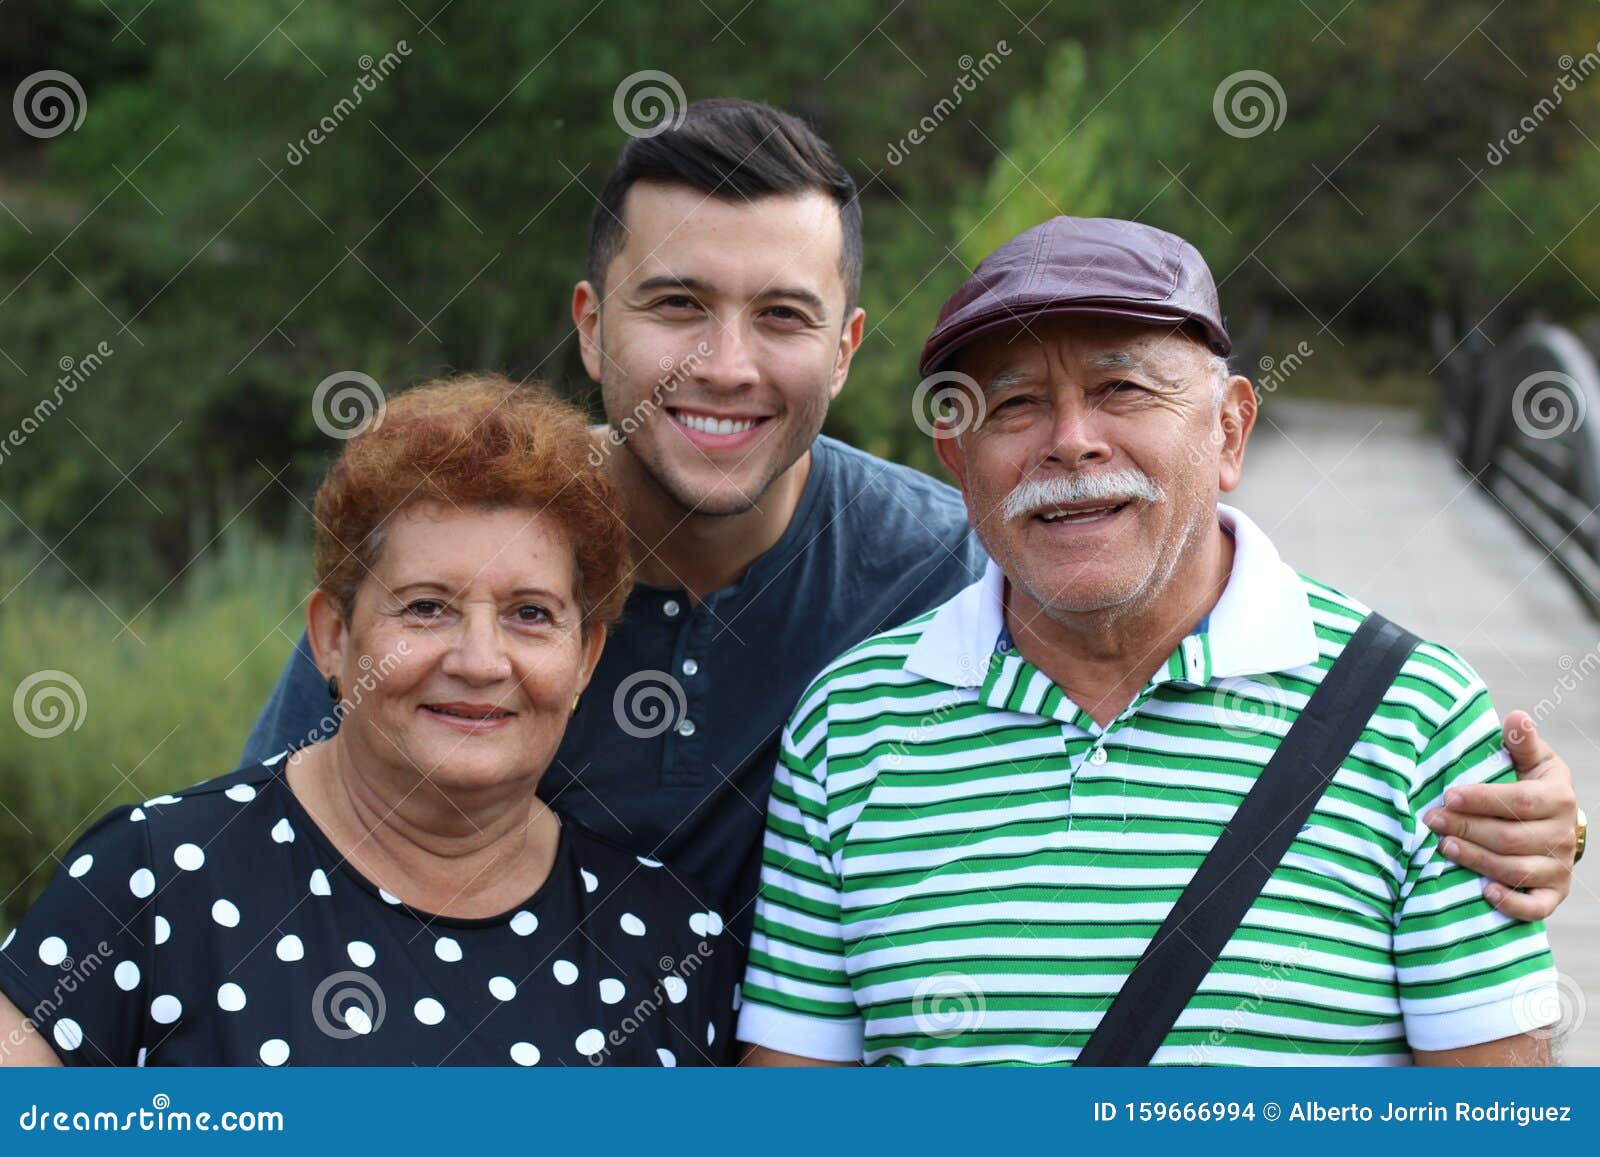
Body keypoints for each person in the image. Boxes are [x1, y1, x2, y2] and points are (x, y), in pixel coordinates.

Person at [238, 100, 1580, 946]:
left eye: (781, 317)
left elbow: (1213, 640)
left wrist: (1480, 800)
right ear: (592, 328)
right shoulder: (463, 561)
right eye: (674, 307)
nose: (725, 365)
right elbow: (256, 843)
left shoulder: (951, 563)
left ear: (848, 346)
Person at [737, 217, 1562, 1067]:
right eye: (1015, 403)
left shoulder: (1415, 717)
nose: (1071, 440)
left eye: (1122, 389)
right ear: (957, 455)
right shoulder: (850, 726)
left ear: (1229, 432)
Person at [0, 376, 736, 1067]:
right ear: (332, 636)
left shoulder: (672, 945)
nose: (480, 660)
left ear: (585, 657)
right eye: (426, 606)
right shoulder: (152, 882)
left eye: (531, 614)